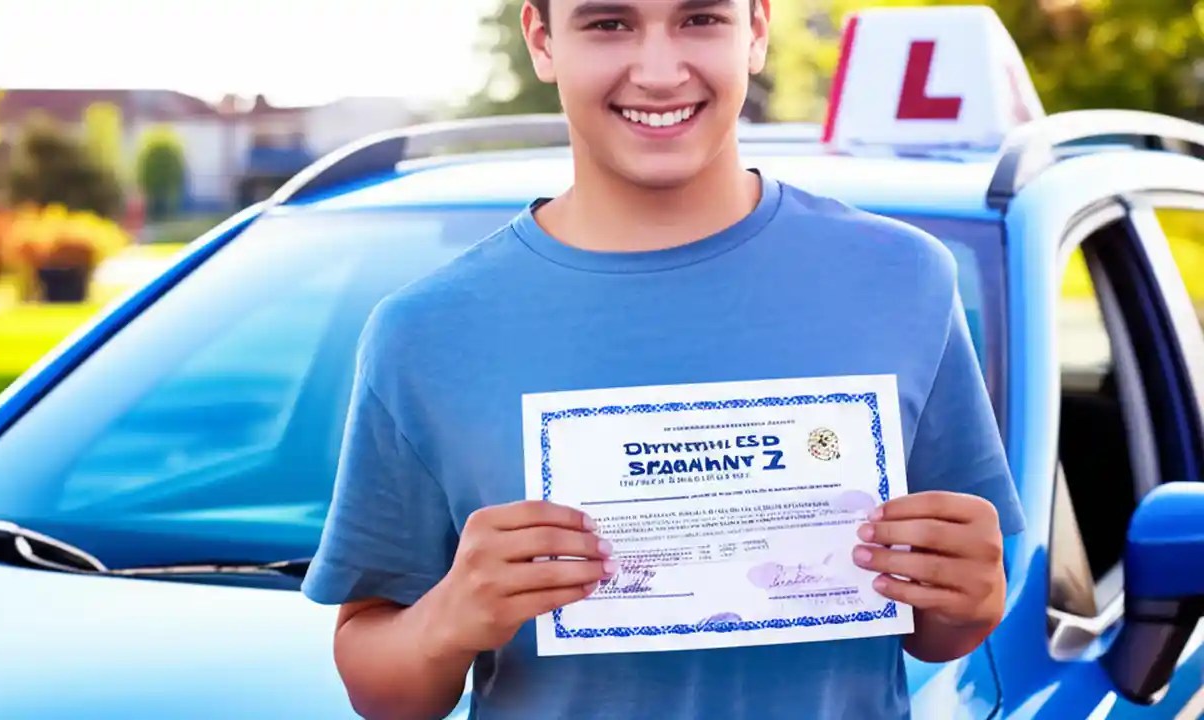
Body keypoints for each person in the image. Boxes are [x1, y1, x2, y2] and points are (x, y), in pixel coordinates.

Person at [301, 0, 1027, 717]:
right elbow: (381, 689)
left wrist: (973, 598)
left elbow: (941, 631)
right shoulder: (424, 333)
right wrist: (451, 616)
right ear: (542, 40)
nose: (656, 71)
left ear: (758, 30)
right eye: (609, 23)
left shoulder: (903, 280)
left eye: (700, 18)